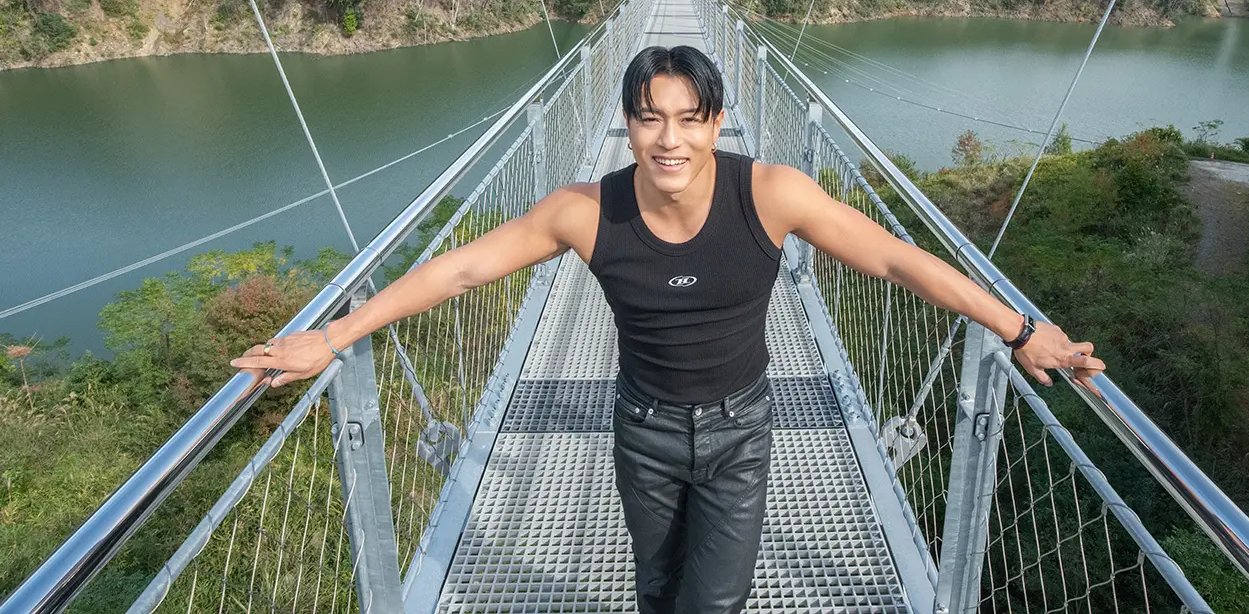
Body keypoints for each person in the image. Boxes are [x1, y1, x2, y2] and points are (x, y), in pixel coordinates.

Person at [233, 44, 1104, 614]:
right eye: (650, 115)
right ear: (627, 122)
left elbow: (898, 261)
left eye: (690, 117)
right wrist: (335, 335)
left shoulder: (770, 191)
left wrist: (1021, 327)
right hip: (642, 430)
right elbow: (458, 268)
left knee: (712, 605)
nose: (669, 137)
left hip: (742, 432)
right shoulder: (584, 211)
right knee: (657, 595)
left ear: (718, 123)